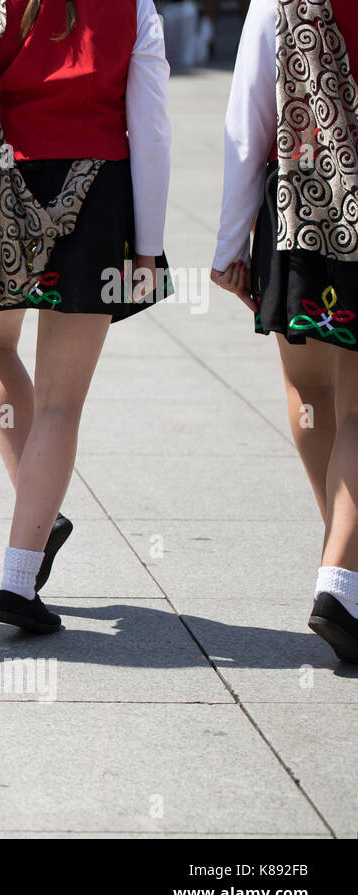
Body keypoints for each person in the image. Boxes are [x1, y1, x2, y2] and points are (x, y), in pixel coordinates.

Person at [0, 0, 171, 633]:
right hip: (97, 198)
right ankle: (19, 573)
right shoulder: (133, 7)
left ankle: (38, 512)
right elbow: (150, 130)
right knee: (63, 405)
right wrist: (148, 244)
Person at [212, 0, 358, 665]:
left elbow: (247, 120)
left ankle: (344, 557)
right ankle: (342, 575)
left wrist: (228, 244)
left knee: (307, 394)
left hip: (297, 206)